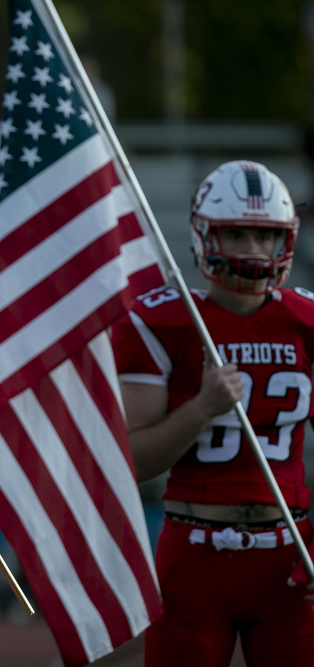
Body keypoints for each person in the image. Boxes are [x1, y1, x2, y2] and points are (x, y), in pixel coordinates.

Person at [111, 161, 314, 667]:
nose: (251, 248)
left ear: (284, 242)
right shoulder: (165, 321)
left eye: (264, 236)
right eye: (237, 232)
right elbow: (131, 459)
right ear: (206, 235)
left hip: (289, 551)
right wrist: (201, 409)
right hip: (194, 554)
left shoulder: (306, 320)